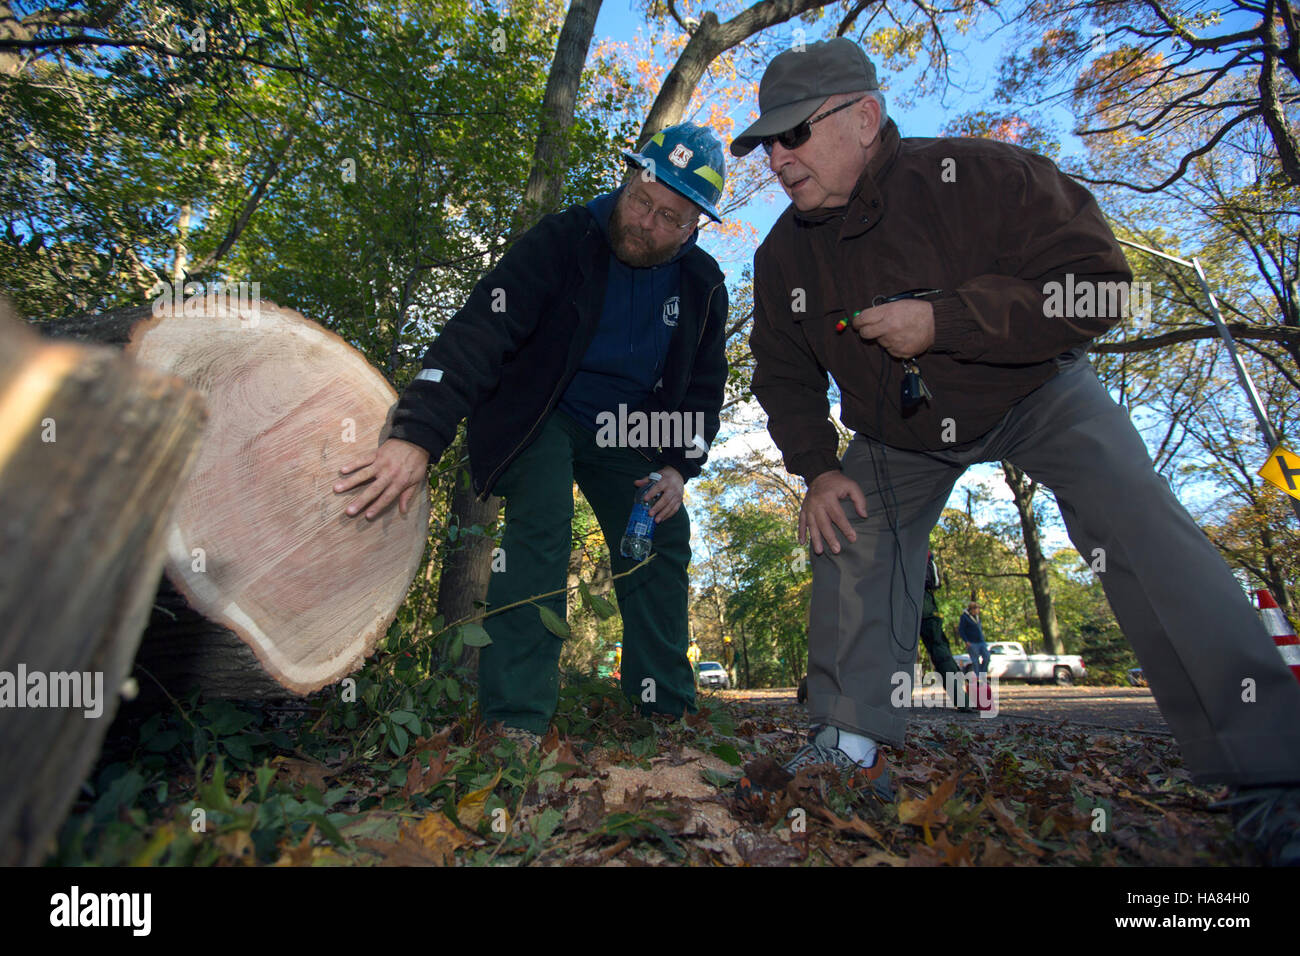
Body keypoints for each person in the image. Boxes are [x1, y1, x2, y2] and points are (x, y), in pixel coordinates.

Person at [734, 36, 1300, 860]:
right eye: (766, 143)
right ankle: (847, 749)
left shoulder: (982, 176)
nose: (778, 160)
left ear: (864, 116)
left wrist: (949, 318)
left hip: (1037, 390)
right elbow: (781, 375)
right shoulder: (782, 253)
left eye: (794, 134)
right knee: (848, 529)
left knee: (1139, 524)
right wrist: (817, 468)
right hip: (899, 434)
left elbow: (1101, 284)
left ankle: (1272, 773)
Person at [334, 123, 730, 750]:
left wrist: (680, 467)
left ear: (693, 227)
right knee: (542, 522)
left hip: (629, 429)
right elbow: (479, 330)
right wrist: (418, 431)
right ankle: (516, 719)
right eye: (639, 198)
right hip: (539, 412)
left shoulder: (703, 286)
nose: (642, 222)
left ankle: (665, 710)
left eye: (666, 217)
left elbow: (705, 387)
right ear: (628, 178)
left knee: (659, 529)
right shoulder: (563, 240)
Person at [921, 551, 970, 710]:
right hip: (925, 603)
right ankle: (962, 699)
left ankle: (963, 699)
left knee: (939, 651)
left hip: (911, 602)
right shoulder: (922, 547)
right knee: (940, 651)